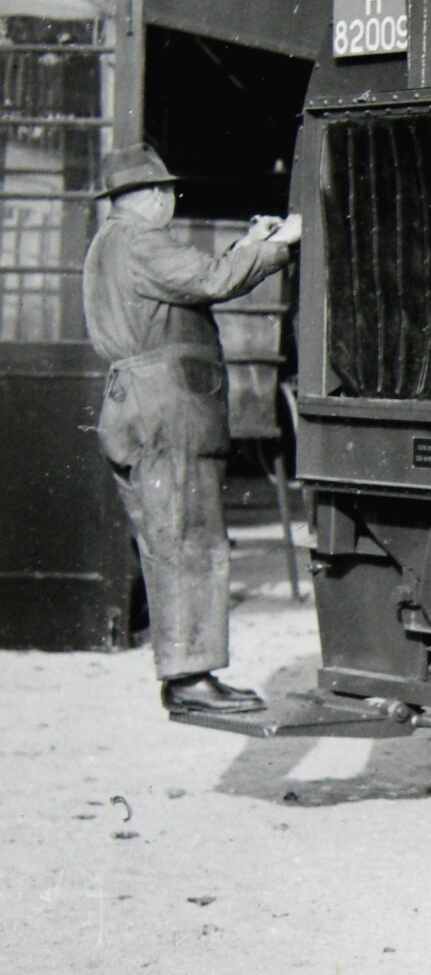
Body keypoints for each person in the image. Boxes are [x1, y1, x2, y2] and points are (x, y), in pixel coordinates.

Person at [82, 144, 301, 716]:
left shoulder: (109, 243)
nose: (172, 202)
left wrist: (249, 245)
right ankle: (188, 679)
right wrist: (277, 248)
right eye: (168, 192)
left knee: (167, 541)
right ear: (152, 196)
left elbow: (191, 283)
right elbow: (211, 279)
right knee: (190, 540)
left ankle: (187, 672)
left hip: (136, 404)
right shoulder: (141, 240)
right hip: (168, 408)